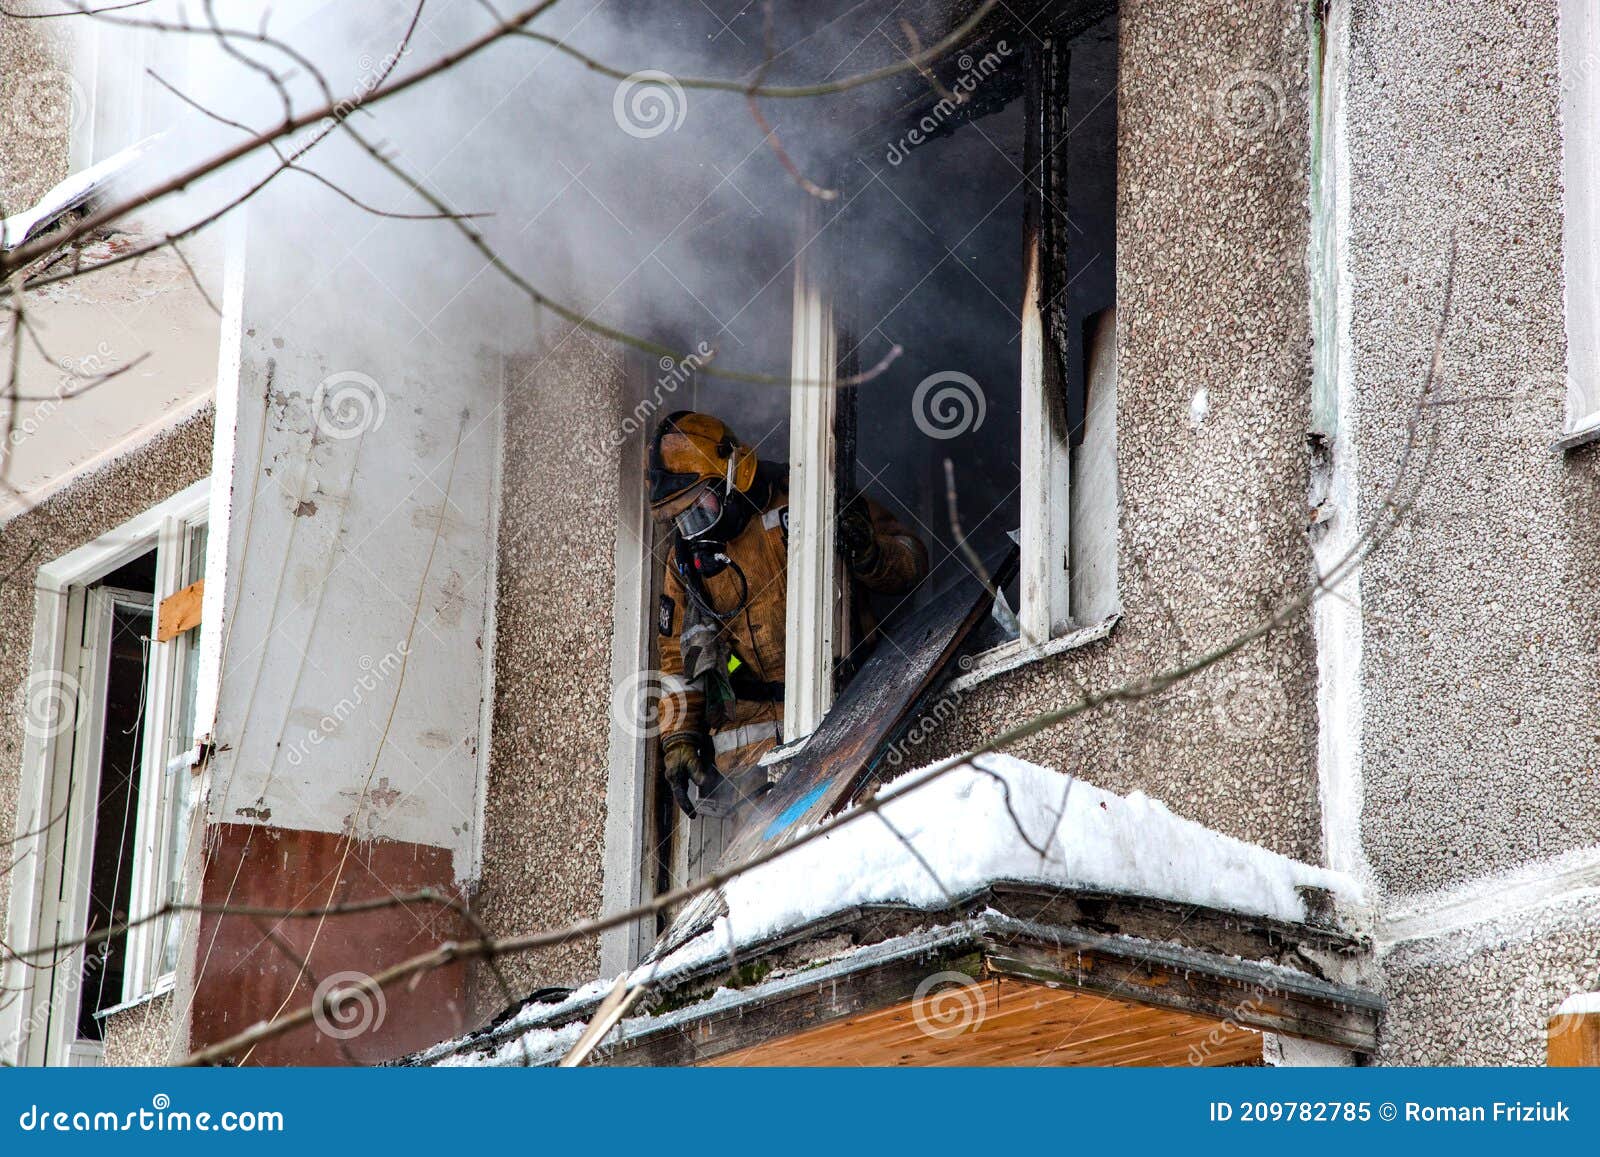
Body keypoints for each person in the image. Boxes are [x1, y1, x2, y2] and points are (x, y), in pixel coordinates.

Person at [648, 410, 928, 818]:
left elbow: (912, 563)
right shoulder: (686, 561)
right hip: (752, 768)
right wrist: (678, 738)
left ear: (732, 476)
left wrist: (870, 554)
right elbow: (676, 658)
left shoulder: (810, 499)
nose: (694, 531)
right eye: (681, 520)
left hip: (846, 717)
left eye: (699, 511)